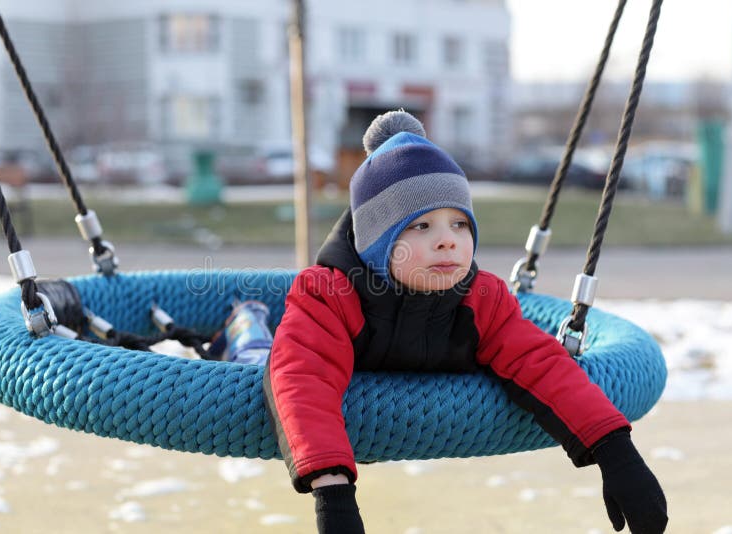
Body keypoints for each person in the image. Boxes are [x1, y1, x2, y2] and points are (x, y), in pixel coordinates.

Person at [262, 110, 667, 534]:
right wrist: (333, 494)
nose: (447, 239)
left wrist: (616, 453)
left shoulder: (482, 297)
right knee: (256, 350)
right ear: (376, 244)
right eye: (420, 225)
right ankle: (243, 323)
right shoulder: (328, 295)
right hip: (318, 370)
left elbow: (539, 363)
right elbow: (301, 378)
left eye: (459, 223)